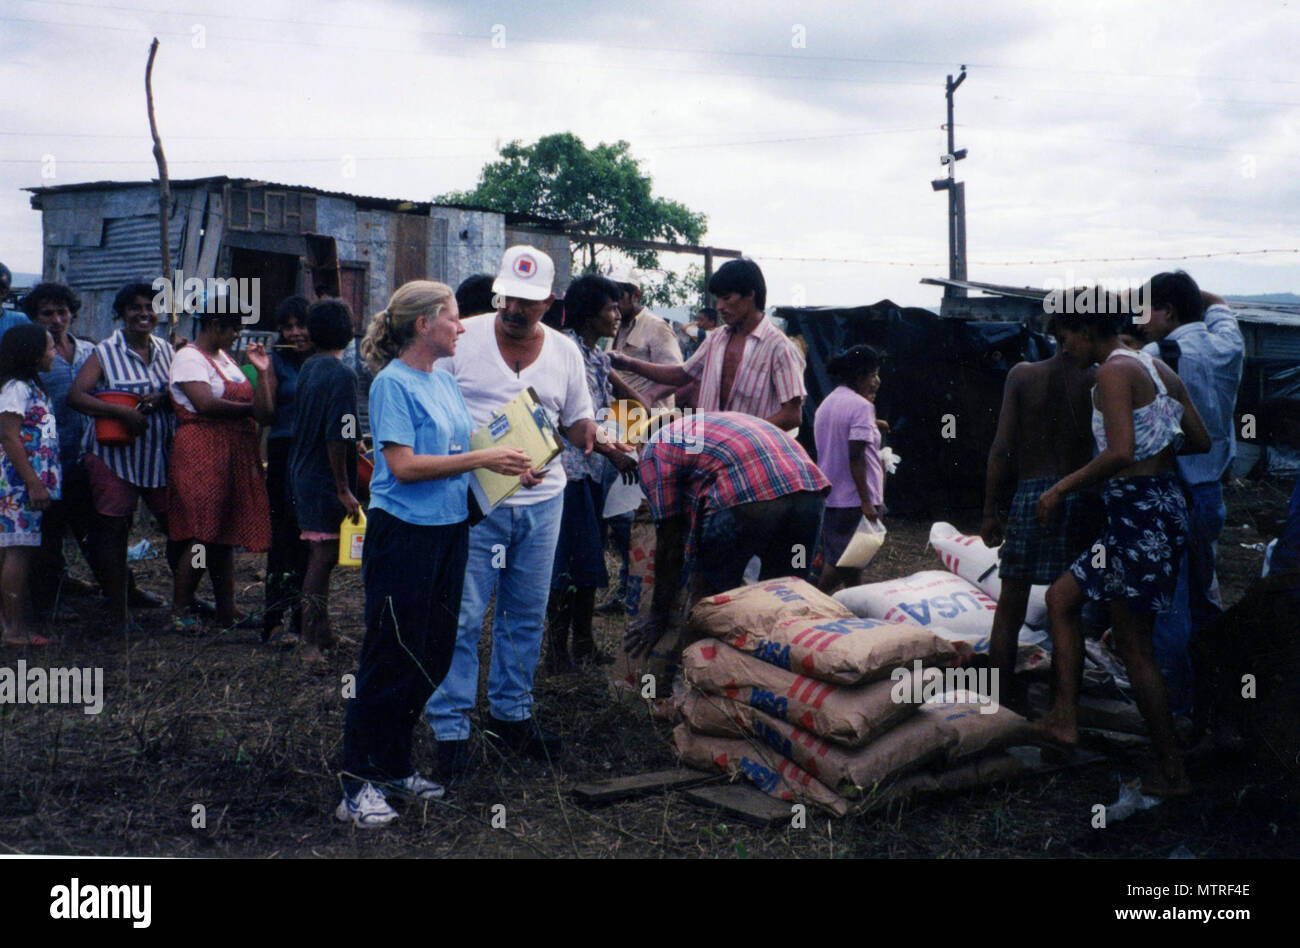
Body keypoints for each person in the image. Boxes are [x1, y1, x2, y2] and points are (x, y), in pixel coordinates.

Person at [336, 280, 532, 828]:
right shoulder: (391, 385)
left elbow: (464, 445)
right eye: (452, 318)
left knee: (433, 653)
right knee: (390, 654)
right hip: (404, 536)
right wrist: (483, 458)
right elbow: (402, 466)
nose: (462, 327)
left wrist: (512, 459)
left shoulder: (442, 381)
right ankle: (356, 783)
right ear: (424, 324)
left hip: (448, 531)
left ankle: (394, 767)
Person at [424, 246, 621, 777]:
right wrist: (487, 457)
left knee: (525, 613)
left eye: (529, 303)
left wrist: (605, 442)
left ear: (550, 303)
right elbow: (433, 414)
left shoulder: (564, 352)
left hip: (542, 502)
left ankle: (512, 715)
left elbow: (577, 422)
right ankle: (451, 727)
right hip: (475, 501)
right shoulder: (461, 341)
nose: (515, 310)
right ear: (498, 293)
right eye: (509, 298)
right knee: (464, 614)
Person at [1032, 299, 1211, 797]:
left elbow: (1119, 451)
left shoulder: (1111, 372)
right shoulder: (1155, 367)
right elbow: (1198, 439)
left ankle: (1172, 772)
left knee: (1134, 646)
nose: (1063, 347)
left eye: (1065, 335)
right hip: (1156, 509)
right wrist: (1152, 443)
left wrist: (1060, 487)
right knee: (1061, 599)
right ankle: (1064, 717)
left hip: (1139, 518)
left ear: (1086, 327)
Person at [625, 411, 830, 660]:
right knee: (784, 594)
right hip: (809, 490)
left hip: (749, 496)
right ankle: (771, 676)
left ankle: (694, 681)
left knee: (711, 600)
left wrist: (658, 616)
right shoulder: (711, 424)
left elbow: (671, 540)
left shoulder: (653, 451)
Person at [979, 316, 1104, 708]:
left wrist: (990, 511)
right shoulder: (1099, 378)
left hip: (1032, 496)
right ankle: (1062, 710)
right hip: (1079, 493)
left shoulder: (1022, 375)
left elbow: (1001, 449)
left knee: (1010, 608)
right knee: (1068, 612)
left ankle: (1000, 706)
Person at [1136, 272, 1244, 717]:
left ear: (1169, 312)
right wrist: (1183, 289)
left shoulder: (1153, 358)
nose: (1141, 321)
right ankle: (1216, 704)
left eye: (1147, 310)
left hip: (1171, 493)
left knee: (1169, 609)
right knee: (1205, 601)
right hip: (1211, 494)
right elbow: (1217, 303)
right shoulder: (1228, 345)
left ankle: (1177, 711)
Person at [544, 274, 641, 673]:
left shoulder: (595, 356)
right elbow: (573, 418)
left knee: (587, 563)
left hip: (590, 471)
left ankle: (582, 645)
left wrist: (625, 441)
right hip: (567, 474)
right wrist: (615, 452)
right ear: (587, 314)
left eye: (619, 307)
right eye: (610, 308)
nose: (617, 315)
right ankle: (556, 653)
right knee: (566, 565)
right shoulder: (567, 352)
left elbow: (635, 401)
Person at [1191, 396, 1300, 750]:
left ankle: (1234, 731)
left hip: (1289, 595)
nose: (1283, 443)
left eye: (1284, 433)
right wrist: (1281, 527)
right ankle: (1249, 724)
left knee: (1214, 645)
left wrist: (1270, 586)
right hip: (1283, 587)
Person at [68, 282, 178, 630]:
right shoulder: (105, 352)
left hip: (157, 456)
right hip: (112, 455)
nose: (143, 314)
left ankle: (184, 601)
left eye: (150, 307)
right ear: (122, 313)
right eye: (135, 308)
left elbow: (175, 390)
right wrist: (120, 413)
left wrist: (160, 397)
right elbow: (77, 396)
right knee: (113, 530)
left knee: (177, 528)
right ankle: (118, 608)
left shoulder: (166, 350)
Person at [167, 308, 273, 631]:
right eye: (233, 329)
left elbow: (257, 403)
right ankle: (180, 610)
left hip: (232, 450)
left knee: (223, 532)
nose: (237, 335)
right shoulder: (189, 358)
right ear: (214, 325)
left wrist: (261, 377)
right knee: (202, 533)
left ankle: (228, 609)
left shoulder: (225, 358)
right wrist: (250, 411)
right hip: (202, 449)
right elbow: (205, 404)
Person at [610, 258, 806, 432]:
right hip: (709, 450)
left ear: (750, 295)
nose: (719, 306)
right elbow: (683, 374)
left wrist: (745, 436)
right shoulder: (716, 338)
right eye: (718, 299)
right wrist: (628, 363)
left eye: (726, 298)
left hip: (753, 460)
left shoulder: (780, 348)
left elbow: (792, 415)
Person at [21, 283, 107, 618]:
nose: (56, 320)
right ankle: (49, 600)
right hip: (45, 459)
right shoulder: (31, 356)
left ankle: (120, 590)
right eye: (47, 314)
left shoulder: (88, 351)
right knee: (49, 533)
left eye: (62, 312)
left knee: (95, 528)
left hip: (85, 454)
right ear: (33, 318)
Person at [288, 299, 360, 668]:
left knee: (322, 557)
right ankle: (309, 642)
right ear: (350, 333)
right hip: (323, 477)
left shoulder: (310, 367)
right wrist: (344, 488)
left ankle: (322, 631)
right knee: (322, 559)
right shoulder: (343, 374)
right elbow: (337, 434)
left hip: (303, 472)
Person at [0, 323, 59, 646]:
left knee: (11, 550)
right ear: (32, 354)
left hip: (22, 482)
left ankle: (9, 625)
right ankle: (15, 630)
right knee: (17, 551)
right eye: (49, 348)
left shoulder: (31, 387)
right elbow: (9, 435)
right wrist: (34, 482)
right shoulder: (16, 389)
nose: (54, 353)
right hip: (18, 484)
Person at [814, 346, 887, 594]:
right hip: (855, 499)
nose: (877, 381)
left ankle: (857, 608)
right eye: (873, 375)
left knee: (853, 560)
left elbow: (841, 430)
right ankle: (812, 602)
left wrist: (874, 425)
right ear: (859, 376)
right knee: (845, 563)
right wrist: (866, 502)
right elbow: (855, 456)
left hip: (834, 497)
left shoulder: (828, 403)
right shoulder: (861, 407)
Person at [263, 295, 313, 644]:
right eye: (288, 326)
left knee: (315, 539)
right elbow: (265, 414)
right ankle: (274, 621)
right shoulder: (276, 362)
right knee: (284, 537)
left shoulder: (327, 360)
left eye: (302, 325)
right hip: (285, 453)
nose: (295, 332)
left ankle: (305, 619)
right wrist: (263, 371)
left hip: (317, 454)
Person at [607, 266, 683, 412]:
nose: (614, 302)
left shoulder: (656, 327)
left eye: (618, 295)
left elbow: (677, 377)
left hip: (654, 419)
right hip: (625, 418)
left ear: (635, 295)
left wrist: (648, 396)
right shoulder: (615, 326)